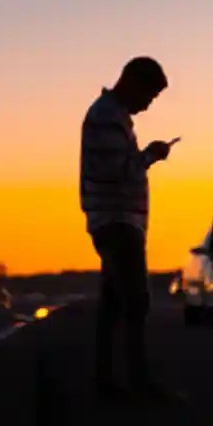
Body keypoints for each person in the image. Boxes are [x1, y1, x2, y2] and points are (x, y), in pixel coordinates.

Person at [79, 56, 178, 401]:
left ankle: (106, 381)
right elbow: (115, 171)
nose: (148, 105)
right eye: (148, 96)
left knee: (113, 303)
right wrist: (150, 155)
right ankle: (138, 383)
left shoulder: (112, 116)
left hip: (117, 220)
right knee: (135, 301)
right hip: (117, 221)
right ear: (133, 83)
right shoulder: (107, 117)